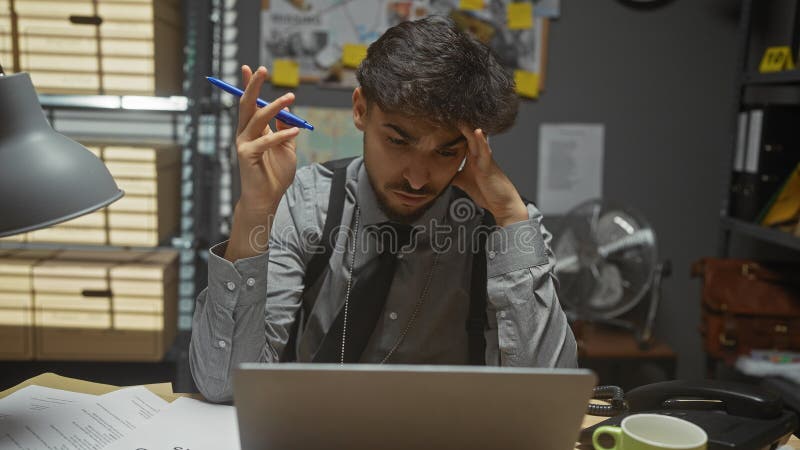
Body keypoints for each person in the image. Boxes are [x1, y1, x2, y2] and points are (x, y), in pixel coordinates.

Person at [189, 15, 577, 403]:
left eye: (447, 151)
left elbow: (547, 400)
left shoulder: (503, 226)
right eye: (397, 141)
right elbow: (224, 386)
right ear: (361, 110)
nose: (418, 179)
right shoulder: (309, 201)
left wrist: (510, 216)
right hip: (312, 424)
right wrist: (254, 210)